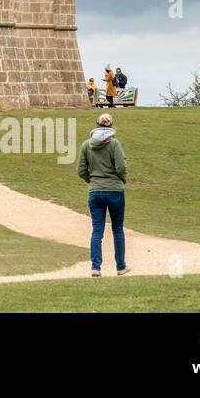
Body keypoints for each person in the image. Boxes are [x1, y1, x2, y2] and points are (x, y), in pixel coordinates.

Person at [75, 112, 130, 277]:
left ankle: (96, 267)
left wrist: (91, 180)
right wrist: (122, 180)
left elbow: (81, 170)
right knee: (117, 229)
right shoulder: (114, 144)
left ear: (96, 125)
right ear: (111, 126)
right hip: (115, 190)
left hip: (95, 191)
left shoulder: (86, 145)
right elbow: (121, 166)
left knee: (97, 230)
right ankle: (120, 266)